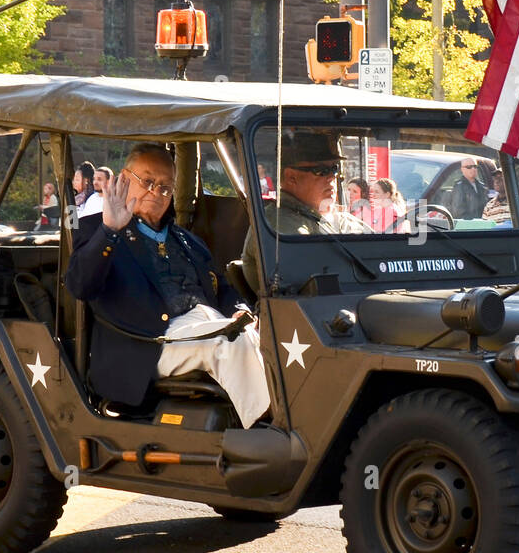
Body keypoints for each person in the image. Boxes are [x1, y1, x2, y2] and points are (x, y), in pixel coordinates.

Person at [67, 142, 268, 427]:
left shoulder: (188, 241)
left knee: (263, 337)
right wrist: (110, 231)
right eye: (147, 181)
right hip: (146, 343)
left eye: (165, 187)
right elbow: (79, 286)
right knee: (227, 342)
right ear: (124, 178)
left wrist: (239, 311)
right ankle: (266, 431)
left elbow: (222, 288)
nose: (156, 192)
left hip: (204, 327)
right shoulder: (96, 230)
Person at [241, 131, 371, 295]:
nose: (332, 177)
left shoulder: (340, 219)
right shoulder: (276, 224)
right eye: (321, 170)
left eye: (334, 168)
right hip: (308, 315)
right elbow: (312, 282)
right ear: (291, 177)